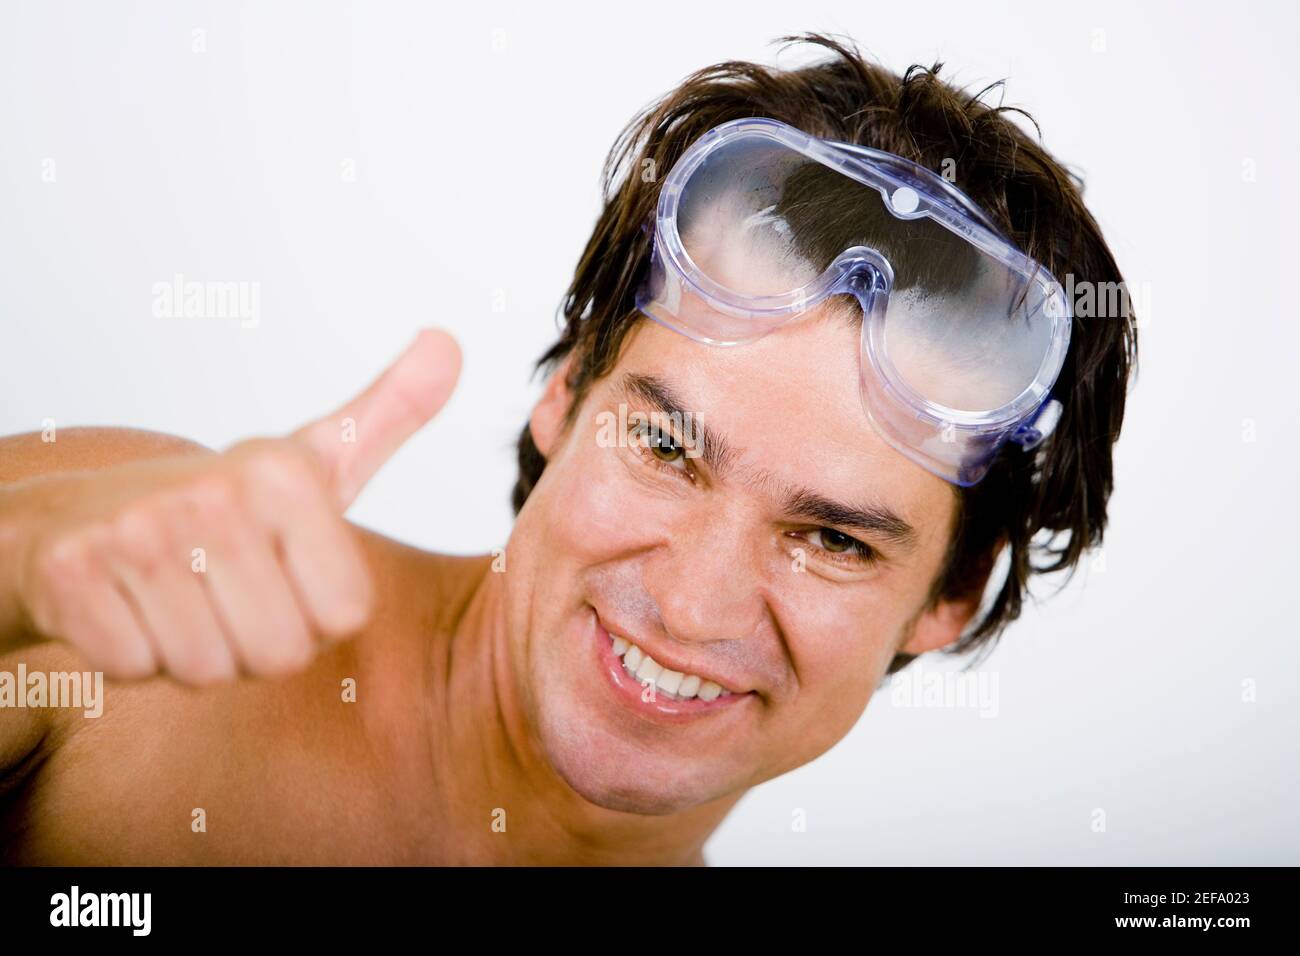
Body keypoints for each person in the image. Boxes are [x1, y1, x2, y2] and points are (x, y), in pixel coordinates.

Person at [0, 33, 1136, 865]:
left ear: (952, 595)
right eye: (665, 446)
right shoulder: (98, 608)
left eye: (833, 539)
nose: (691, 605)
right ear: (563, 393)